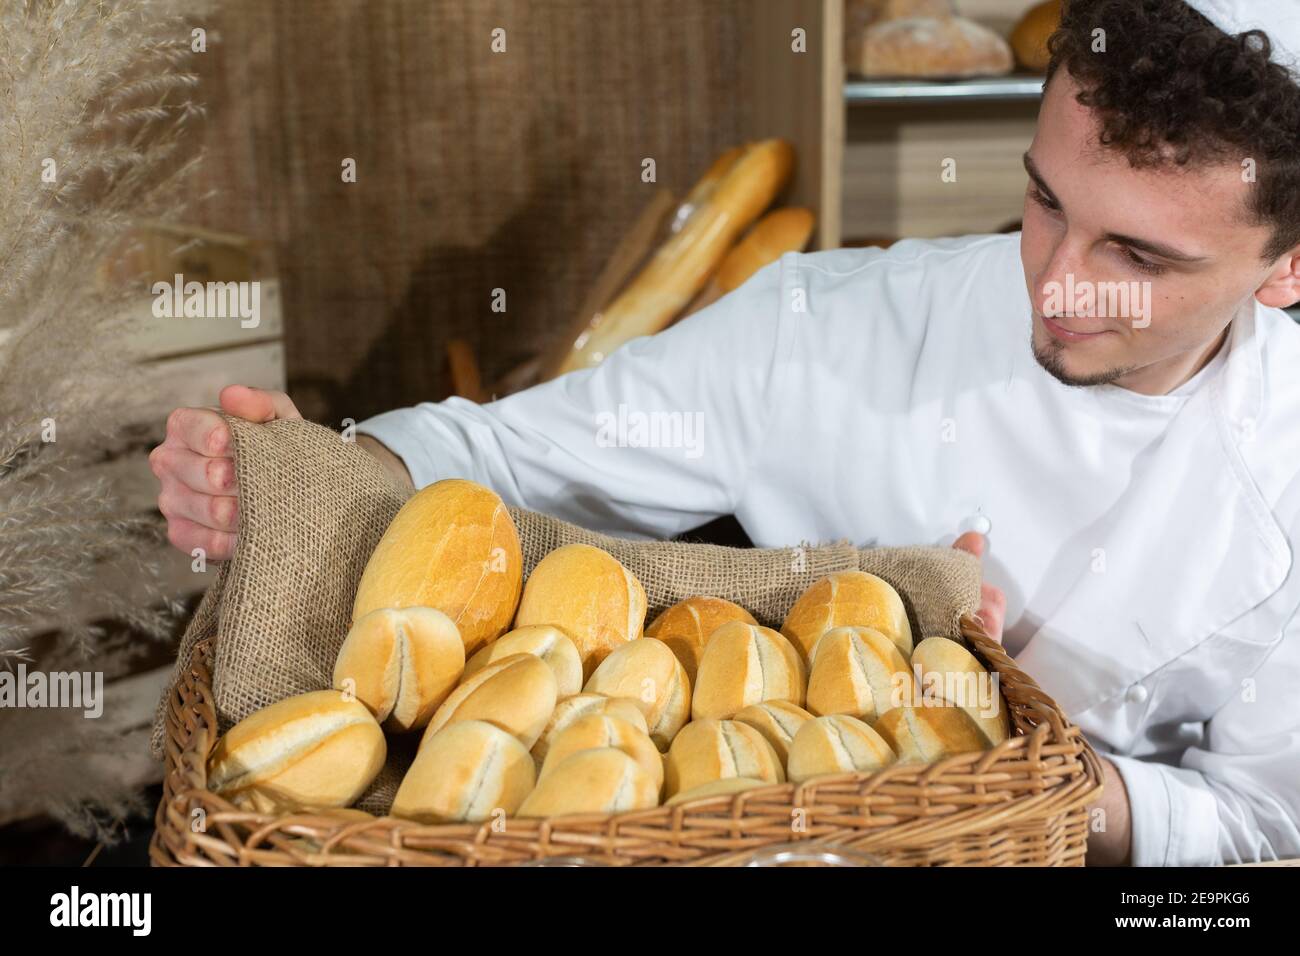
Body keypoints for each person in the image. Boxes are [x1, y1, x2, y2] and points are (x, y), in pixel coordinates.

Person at [150, 0, 1300, 866]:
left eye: (1137, 258)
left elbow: (1258, 825)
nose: (1053, 283)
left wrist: (1032, 783)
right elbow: (505, 456)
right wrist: (300, 473)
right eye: (1044, 203)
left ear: (1285, 268)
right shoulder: (827, 327)